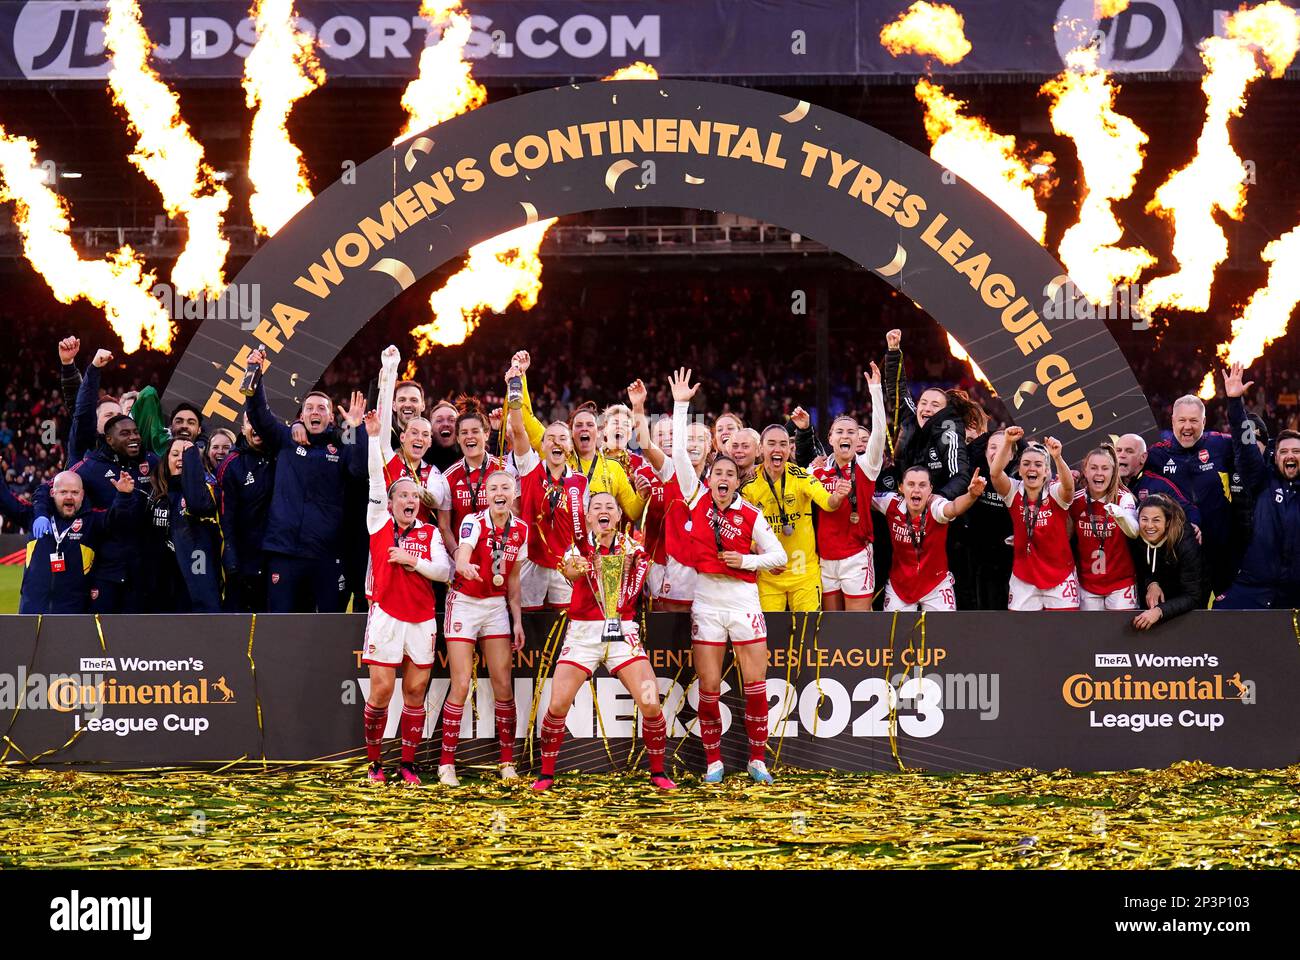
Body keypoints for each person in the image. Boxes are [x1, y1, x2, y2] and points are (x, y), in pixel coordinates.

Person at [669, 369, 786, 783]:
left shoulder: (751, 515)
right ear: (710, 479)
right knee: (710, 685)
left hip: (743, 601)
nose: (722, 479)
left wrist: (747, 562)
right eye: (717, 474)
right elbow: (681, 458)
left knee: (756, 684)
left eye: (729, 475)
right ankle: (714, 761)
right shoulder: (696, 497)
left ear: (738, 480)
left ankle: (758, 760)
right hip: (707, 600)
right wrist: (682, 404)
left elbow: (779, 556)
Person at [532, 491, 676, 792]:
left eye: (609, 506)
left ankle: (658, 772)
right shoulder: (579, 547)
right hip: (584, 633)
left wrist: (629, 567)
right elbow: (569, 569)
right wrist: (585, 567)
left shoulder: (632, 548)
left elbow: (645, 568)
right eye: (596, 507)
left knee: (651, 704)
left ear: (619, 516)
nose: (603, 511)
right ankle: (546, 774)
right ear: (588, 518)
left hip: (622, 632)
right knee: (557, 704)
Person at [359, 409, 451, 785]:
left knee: (415, 691)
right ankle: (375, 763)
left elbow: (444, 572)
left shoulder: (429, 533)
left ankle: (408, 764)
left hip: (422, 618)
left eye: (414, 495)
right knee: (381, 690)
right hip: (386, 615)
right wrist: (373, 437)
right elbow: (375, 480)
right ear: (391, 501)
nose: (409, 500)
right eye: (403, 495)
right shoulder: (378, 521)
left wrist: (413, 561)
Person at [243, 346, 368, 613]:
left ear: (330, 417)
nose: (315, 412)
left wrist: (357, 429)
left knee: (327, 629)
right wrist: (255, 372)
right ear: (301, 416)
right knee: (282, 625)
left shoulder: (343, 444)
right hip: (285, 553)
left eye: (322, 408)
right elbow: (259, 415)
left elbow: (359, 471)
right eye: (309, 408)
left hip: (327, 555)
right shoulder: (286, 439)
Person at [439, 469, 528, 786]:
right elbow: (463, 553)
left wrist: (516, 620)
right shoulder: (472, 522)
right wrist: (463, 564)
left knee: (503, 683)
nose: (499, 492)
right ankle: (446, 764)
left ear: (513, 493)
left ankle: (507, 763)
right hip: (464, 601)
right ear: (486, 495)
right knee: (461, 684)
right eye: (493, 488)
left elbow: (514, 578)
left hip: (495, 606)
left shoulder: (521, 530)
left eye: (505, 487)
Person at [31, 413, 155, 613]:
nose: (133, 437)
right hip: (105, 570)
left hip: (143, 570)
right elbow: (48, 488)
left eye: (135, 432)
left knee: (137, 636)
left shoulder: (151, 462)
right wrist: (41, 514)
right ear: (109, 439)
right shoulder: (90, 467)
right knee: (99, 634)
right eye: (125, 433)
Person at [515, 351, 646, 520]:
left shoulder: (614, 468)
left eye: (590, 425)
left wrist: (642, 496)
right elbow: (527, 419)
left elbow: (633, 512)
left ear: (599, 431)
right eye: (578, 425)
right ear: (571, 433)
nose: (584, 429)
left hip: (598, 543)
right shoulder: (558, 454)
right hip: (563, 542)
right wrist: (521, 376)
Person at [739, 421, 848, 612]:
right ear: (760, 448)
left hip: (804, 574)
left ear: (789, 449)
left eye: (783, 444)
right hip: (769, 575)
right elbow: (743, 529)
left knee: (806, 635)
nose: (778, 449)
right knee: (772, 636)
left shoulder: (801, 477)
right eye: (771, 443)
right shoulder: (749, 486)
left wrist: (837, 497)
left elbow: (827, 502)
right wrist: (758, 551)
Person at [1217, 365, 1300, 609]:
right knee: (1220, 628)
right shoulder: (1261, 479)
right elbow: (1245, 447)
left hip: (1296, 589)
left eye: (1296, 451)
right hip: (1256, 586)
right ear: (1275, 457)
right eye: (1284, 451)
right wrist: (1234, 403)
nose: (1289, 456)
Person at [508, 366, 586, 612]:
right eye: (550, 438)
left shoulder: (580, 482)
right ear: (541, 445)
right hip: (532, 559)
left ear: (571, 448)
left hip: (566, 562)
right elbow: (519, 429)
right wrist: (515, 386)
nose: (556, 442)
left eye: (562, 438)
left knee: (564, 625)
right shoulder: (531, 467)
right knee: (531, 626)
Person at [1146, 393, 1238, 593]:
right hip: (1179, 550)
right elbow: (1126, 471)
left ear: (1204, 421)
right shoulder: (1157, 455)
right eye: (1182, 420)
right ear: (1172, 421)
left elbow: (1252, 450)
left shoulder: (1219, 443)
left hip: (1221, 548)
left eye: (1194, 420)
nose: (1187, 426)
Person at [813, 364, 886, 611]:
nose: (846, 435)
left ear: (857, 440)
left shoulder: (867, 466)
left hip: (856, 555)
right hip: (825, 557)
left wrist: (875, 390)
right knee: (831, 626)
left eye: (852, 432)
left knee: (858, 625)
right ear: (831, 439)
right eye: (840, 431)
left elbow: (879, 434)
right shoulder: (817, 471)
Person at [633, 378, 709, 612]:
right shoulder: (670, 469)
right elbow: (645, 444)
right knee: (669, 631)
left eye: (701, 439)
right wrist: (638, 407)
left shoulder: (720, 477)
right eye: (690, 438)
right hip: (675, 565)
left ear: (711, 445)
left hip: (710, 567)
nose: (694, 444)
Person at [19, 470, 140, 614]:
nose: (69, 497)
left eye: (75, 493)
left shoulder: (92, 520)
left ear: (82, 495)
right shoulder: (36, 516)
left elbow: (115, 518)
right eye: (63, 492)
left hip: (74, 614)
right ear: (52, 493)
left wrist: (123, 496)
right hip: (32, 611)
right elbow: (7, 502)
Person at [988, 427, 1079, 611]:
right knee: (1023, 635)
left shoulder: (1054, 492)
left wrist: (1057, 457)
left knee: (1064, 634)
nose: (1032, 468)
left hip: (1060, 576)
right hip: (1024, 578)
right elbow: (995, 474)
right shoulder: (1013, 491)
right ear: (1020, 470)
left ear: (1046, 472)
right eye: (1026, 464)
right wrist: (1007, 441)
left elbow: (1069, 488)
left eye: (1038, 465)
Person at [871, 466, 985, 611]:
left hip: (936, 585)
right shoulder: (890, 503)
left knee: (944, 631)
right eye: (911, 484)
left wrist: (971, 496)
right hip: (899, 586)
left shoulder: (936, 505)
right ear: (900, 487)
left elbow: (954, 507)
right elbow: (864, 497)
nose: (916, 490)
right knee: (896, 632)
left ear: (931, 489)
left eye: (922, 485)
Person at [880, 328, 973, 500]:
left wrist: (937, 500)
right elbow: (897, 390)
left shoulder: (949, 431)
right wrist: (893, 352)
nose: (927, 408)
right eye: (923, 403)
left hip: (936, 508)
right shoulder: (910, 417)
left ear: (945, 411)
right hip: (904, 501)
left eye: (935, 404)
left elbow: (960, 476)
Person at [145, 438, 223, 613]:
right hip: (161, 577)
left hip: (196, 564)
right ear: (166, 460)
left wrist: (192, 464)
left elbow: (197, 503)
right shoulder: (154, 493)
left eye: (187, 454)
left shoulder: (207, 490)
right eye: (175, 454)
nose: (181, 458)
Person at [375, 346, 450, 525]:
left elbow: (437, 500)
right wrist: (389, 374)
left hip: (421, 543)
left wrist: (408, 486)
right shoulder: (388, 452)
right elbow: (381, 420)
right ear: (402, 437)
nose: (418, 438)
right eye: (414, 433)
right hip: (384, 537)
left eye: (424, 434)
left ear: (430, 440)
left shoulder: (433, 466)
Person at [216, 415, 274, 613]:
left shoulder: (283, 453)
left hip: (279, 556)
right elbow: (225, 516)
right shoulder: (231, 464)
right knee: (239, 625)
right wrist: (231, 556)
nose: (256, 425)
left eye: (259, 419)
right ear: (242, 429)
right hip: (244, 559)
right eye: (250, 422)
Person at [951, 428, 1014, 609]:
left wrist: (1013, 439)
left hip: (1008, 555)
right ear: (985, 451)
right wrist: (990, 431)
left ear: (1012, 455)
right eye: (993, 447)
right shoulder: (975, 471)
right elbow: (968, 449)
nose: (997, 452)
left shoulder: (1018, 475)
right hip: (977, 554)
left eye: (1004, 448)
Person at [1070, 445, 1139, 610]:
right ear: (1085, 471)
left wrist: (1119, 514)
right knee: (1090, 634)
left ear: (1113, 472)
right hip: (1087, 583)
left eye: (1105, 468)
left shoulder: (1124, 499)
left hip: (1121, 583)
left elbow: (1135, 531)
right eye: (1093, 468)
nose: (1099, 473)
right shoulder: (1075, 501)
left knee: (1121, 634)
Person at [1131, 494, 1204, 629]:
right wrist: (1152, 583)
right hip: (1153, 604)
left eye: (1156, 520)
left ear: (1168, 522)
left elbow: (1193, 596)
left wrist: (1160, 611)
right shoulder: (1138, 537)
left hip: (1184, 609)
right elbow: (1142, 567)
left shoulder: (1185, 543)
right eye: (1144, 519)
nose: (1149, 526)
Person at [438, 405, 504, 550]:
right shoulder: (448, 476)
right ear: (458, 438)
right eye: (464, 432)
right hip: (463, 558)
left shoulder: (504, 469)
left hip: (498, 555)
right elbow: (444, 526)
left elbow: (515, 514)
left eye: (475, 431)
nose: (469, 436)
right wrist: (457, 554)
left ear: (486, 434)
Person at [1115, 433, 1197, 519]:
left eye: (1129, 451)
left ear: (1143, 457)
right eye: (1118, 450)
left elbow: (1190, 511)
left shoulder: (1158, 485)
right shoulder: (1108, 483)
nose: (1122, 455)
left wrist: (1193, 524)